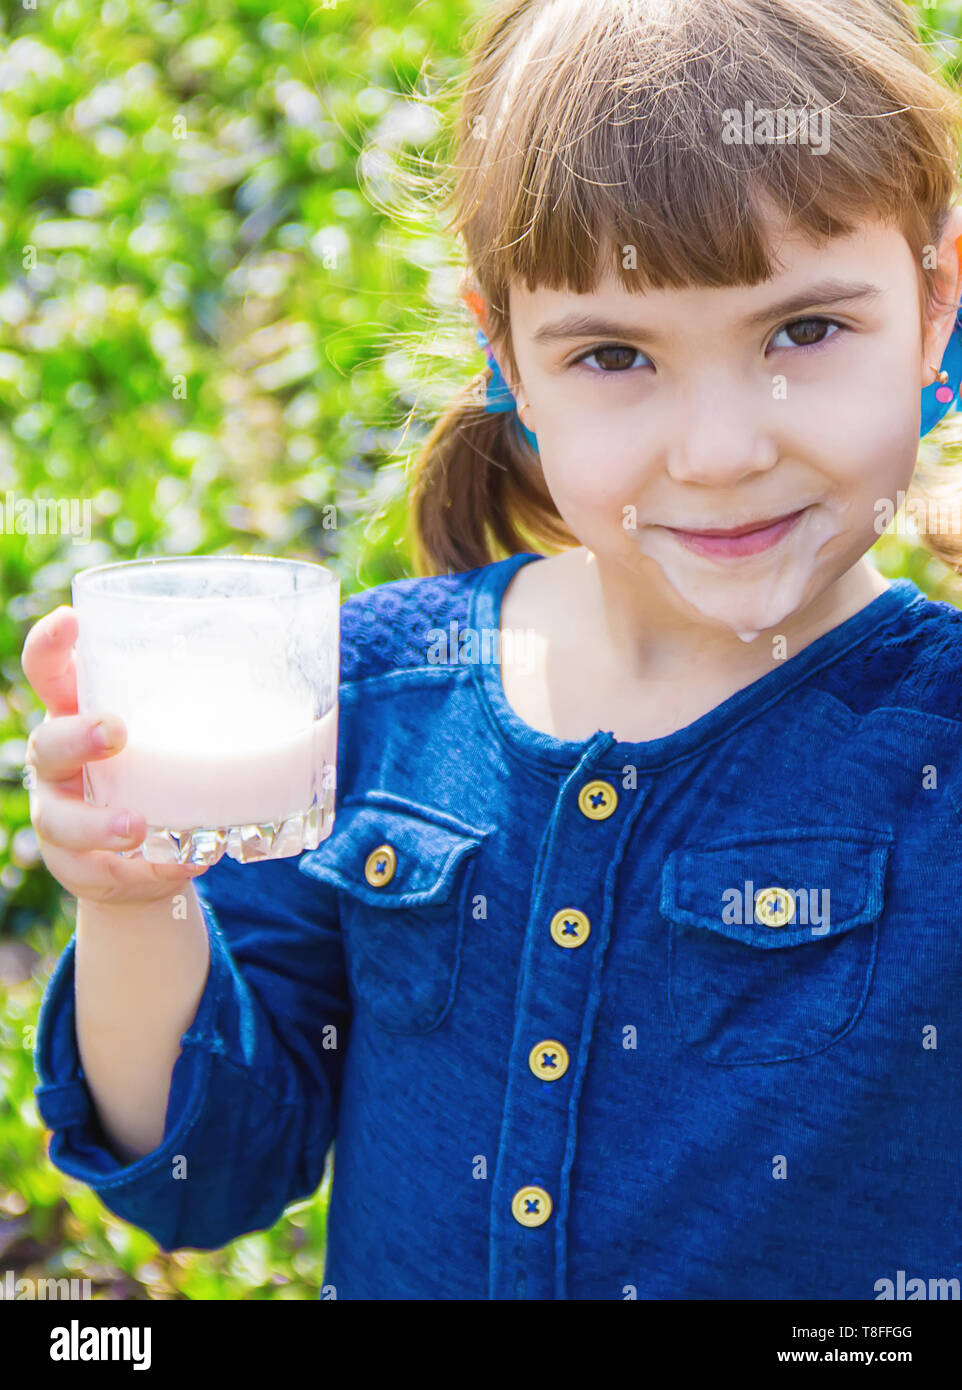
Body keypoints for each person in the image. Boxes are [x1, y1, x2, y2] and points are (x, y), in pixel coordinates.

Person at [22, 0, 962, 1299]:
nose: (719, 449)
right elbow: (203, 1177)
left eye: (802, 331)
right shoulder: (371, 697)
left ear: (932, 303)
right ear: (505, 349)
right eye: (615, 353)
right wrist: (134, 902)